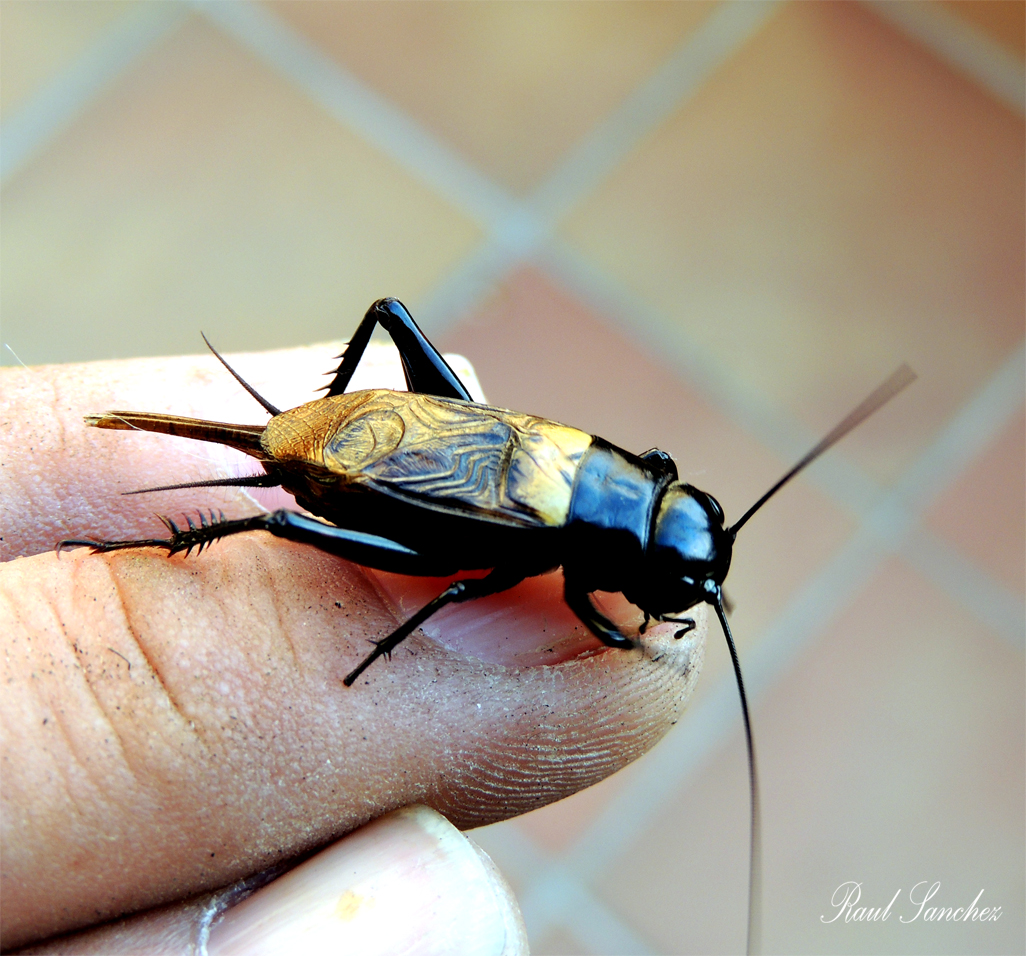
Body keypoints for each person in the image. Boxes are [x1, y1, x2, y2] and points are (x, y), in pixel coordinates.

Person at [0, 342, 703, 954]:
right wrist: (645, 652)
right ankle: (161, 546)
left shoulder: (602, 463)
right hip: (374, 488)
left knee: (391, 318)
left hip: (429, 441)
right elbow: (551, 604)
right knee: (284, 525)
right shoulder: (568, 545)